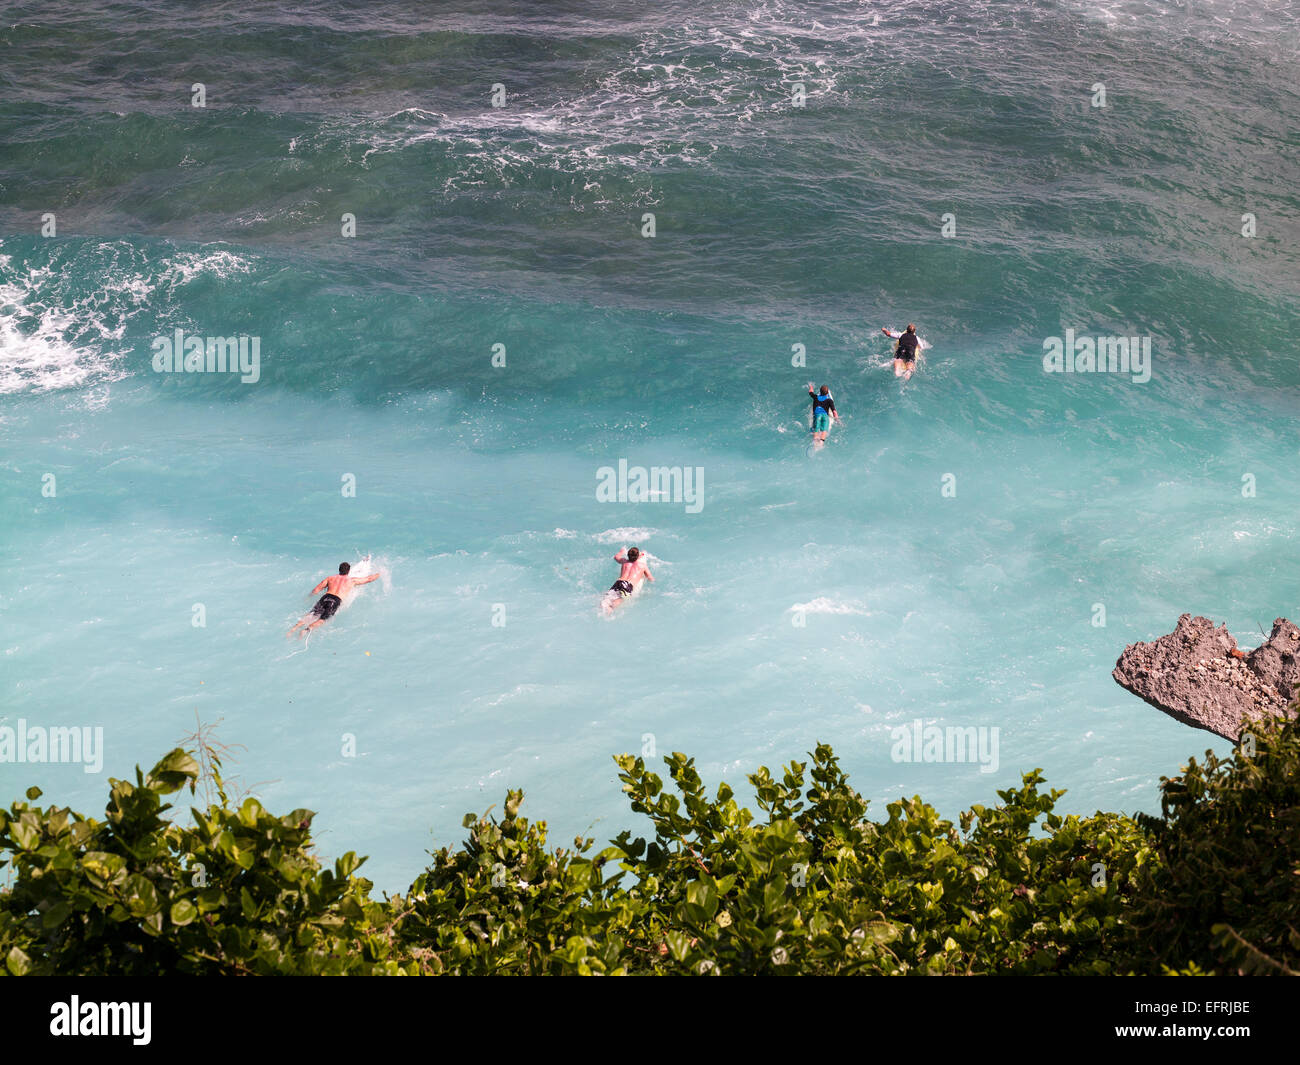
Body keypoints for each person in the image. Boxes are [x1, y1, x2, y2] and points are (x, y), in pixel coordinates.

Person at [287, 562, 379, 638]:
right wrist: (379, 574)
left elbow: (316, 589)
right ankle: (307, 629)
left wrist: (309, 597)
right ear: (348, 571)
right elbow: (369, 579)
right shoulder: (352, 580)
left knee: (311, 614)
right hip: (335, 600)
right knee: (323, 619)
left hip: (325, 597)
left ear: (339, 570)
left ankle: (293, 629)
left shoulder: (330, 578)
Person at [604, 546, 654, 612]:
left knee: (607, 598)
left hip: (619, 582)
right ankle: (610, 609)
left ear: (628, 555)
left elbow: (616, 557)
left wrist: (621, 551)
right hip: (628, 585)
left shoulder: (624, 561)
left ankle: (604, 606)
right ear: (638, 556)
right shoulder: (642, 565)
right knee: (620, 599)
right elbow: (650, 578)